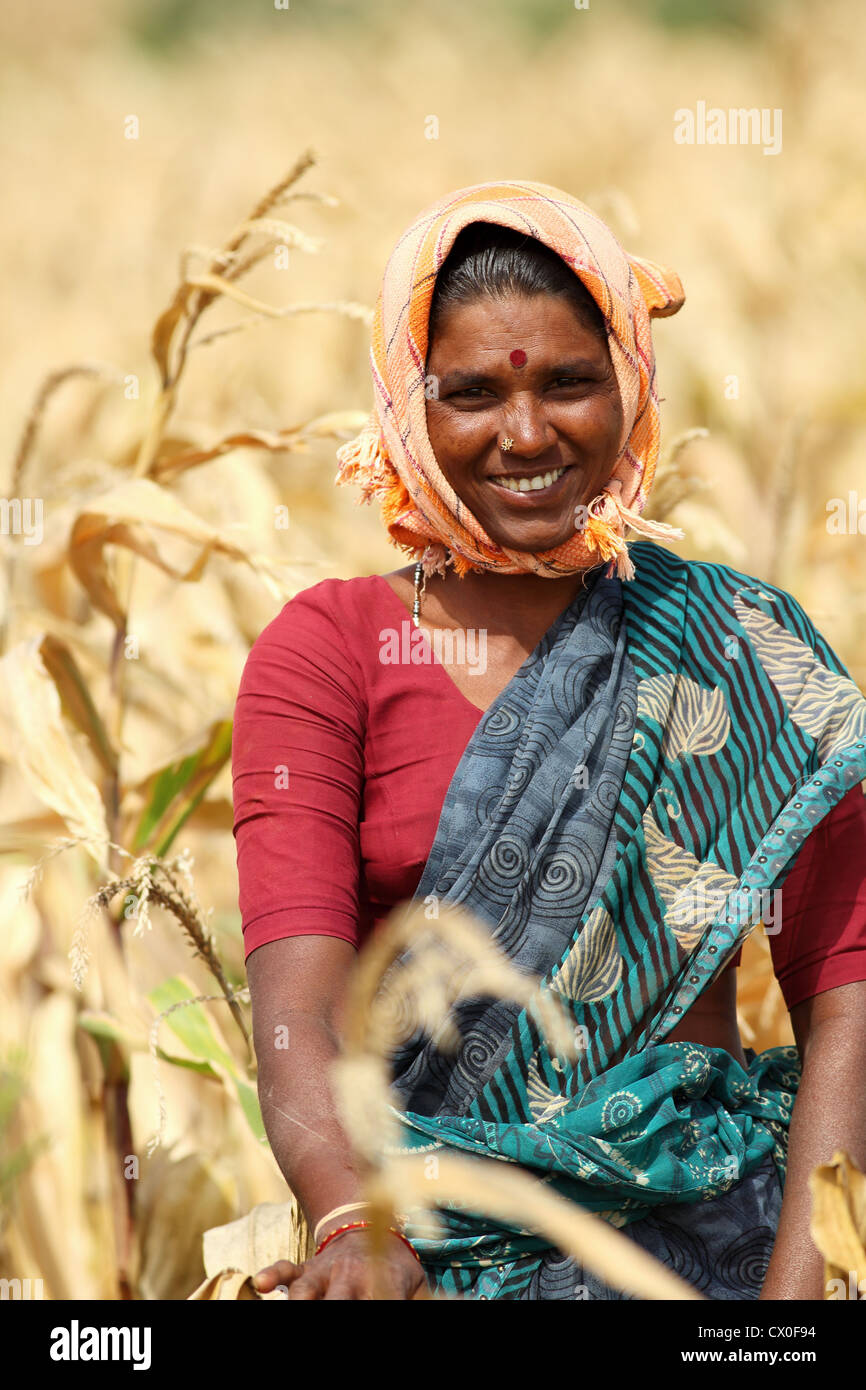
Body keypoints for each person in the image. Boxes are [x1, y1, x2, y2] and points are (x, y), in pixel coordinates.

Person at [231, 180, 866, 1301]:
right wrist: (347, 1219)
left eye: (570, 382)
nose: (525, 436)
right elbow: (296, 1006)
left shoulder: (735, 643)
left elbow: (846, 981)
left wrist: (799, 1292)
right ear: (403, 406)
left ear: (628, 378)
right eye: (469, 393)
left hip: (706, 1246)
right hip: (419, 1253)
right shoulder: (327, 651)